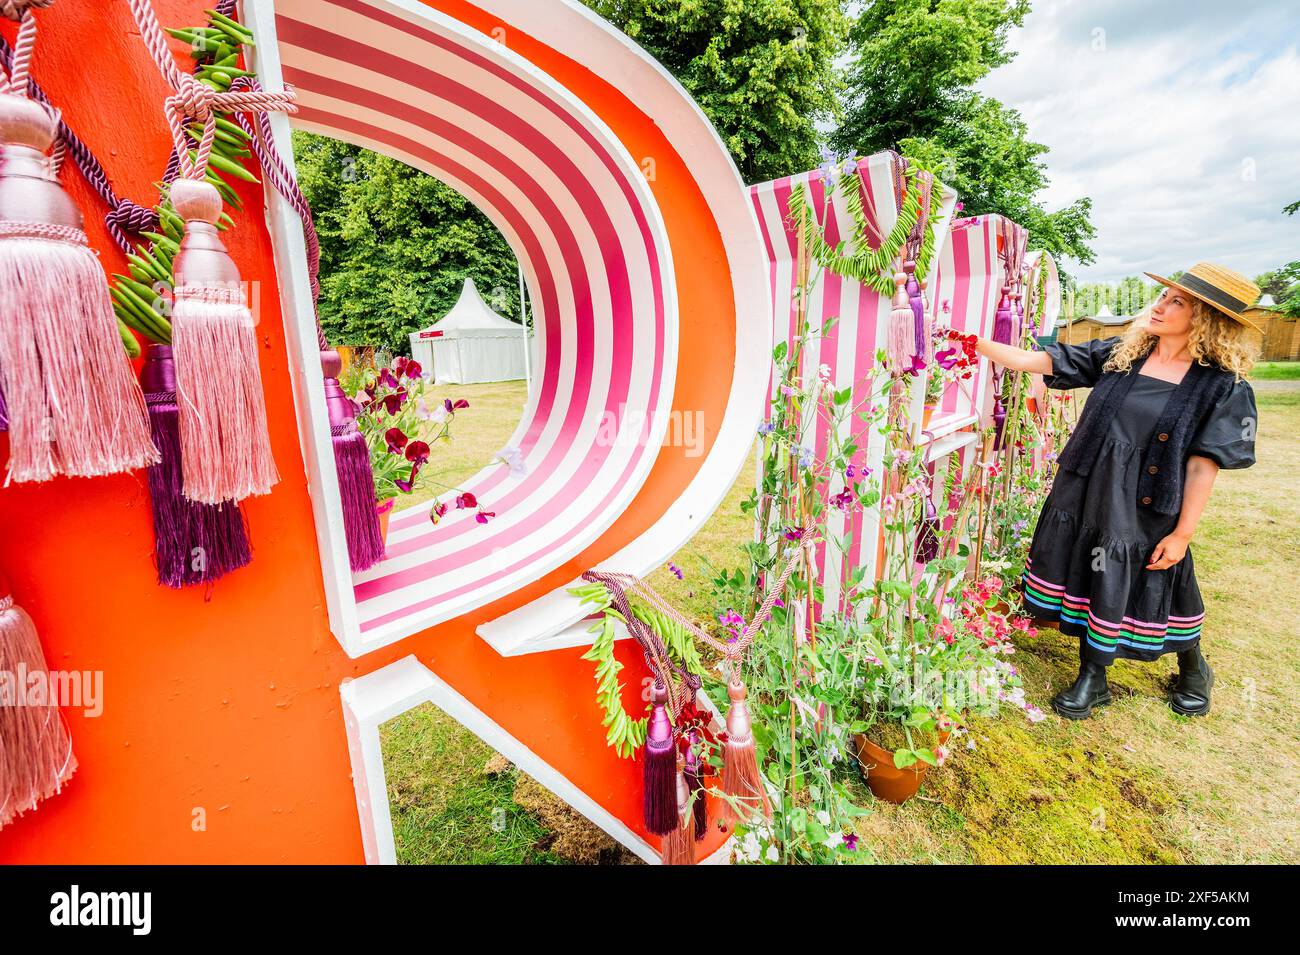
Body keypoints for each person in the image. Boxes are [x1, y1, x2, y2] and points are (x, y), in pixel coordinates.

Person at [975, 263, 1262, 719]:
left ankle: (1193, 668)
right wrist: (969, 343)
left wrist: (1183, 533)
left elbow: (1204, 467)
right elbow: (1043, 360)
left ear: (1205, 319)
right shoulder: (1122, 355)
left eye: (1177, 302)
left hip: (1148, 500)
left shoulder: (1222, 386)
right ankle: (1095, 675)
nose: (1160, 306)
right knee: (1097, 571)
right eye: (1163, 297)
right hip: (1088, 485)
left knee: (1159, 576)